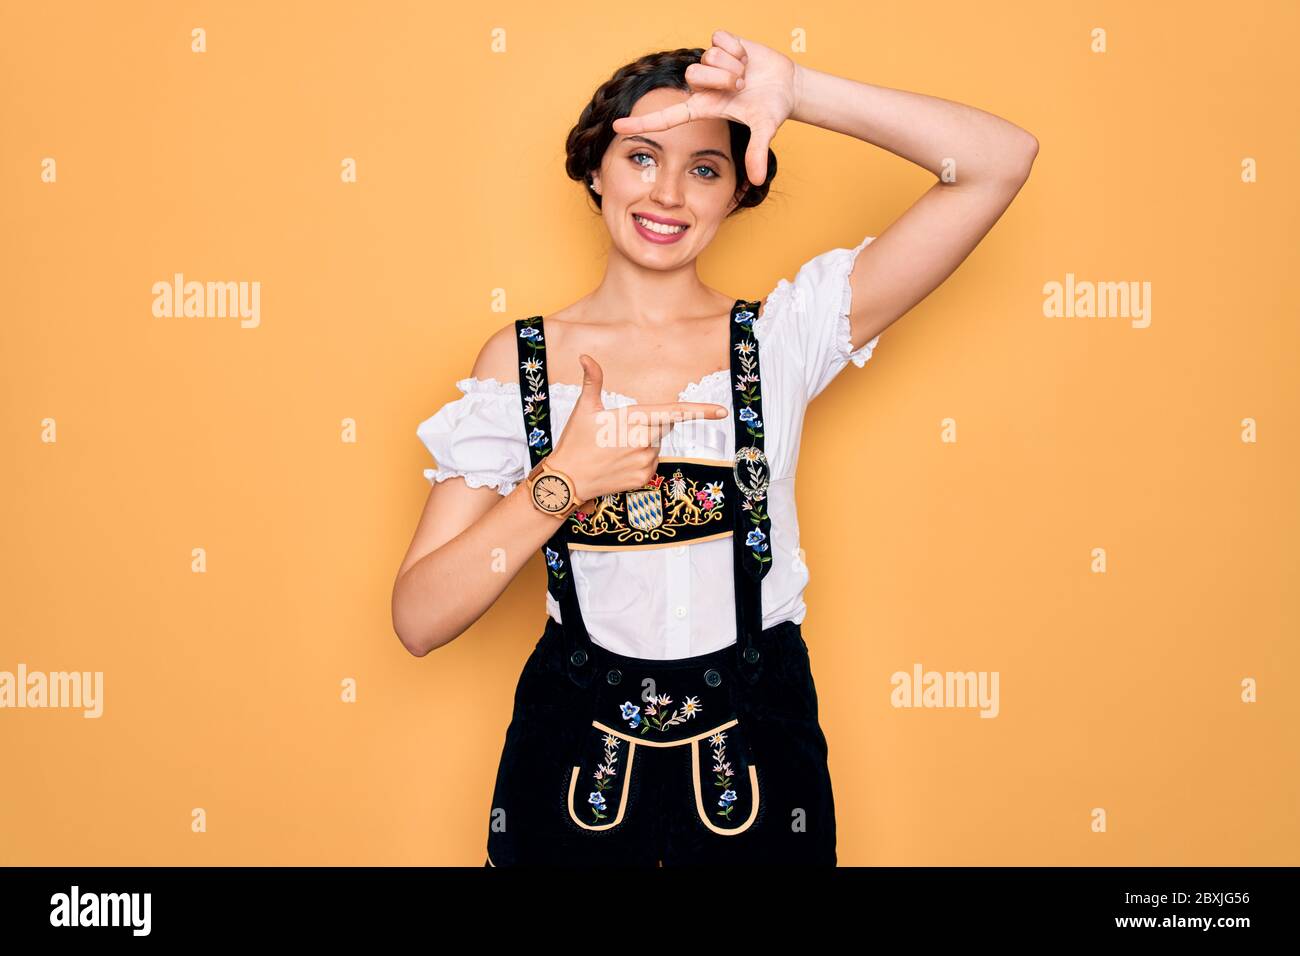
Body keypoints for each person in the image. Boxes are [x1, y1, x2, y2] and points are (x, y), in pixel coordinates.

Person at [392, 30, 1038, 866]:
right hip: (570, 761)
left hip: (762, 758)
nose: (668, 193)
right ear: (594, 169)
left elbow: (999, 161)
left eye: (704, 168)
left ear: (738, 190)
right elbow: (418, 617)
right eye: (640, 157)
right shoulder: (518, 363)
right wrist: (559, 484)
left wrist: (799, 90)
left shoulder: (782, 336)